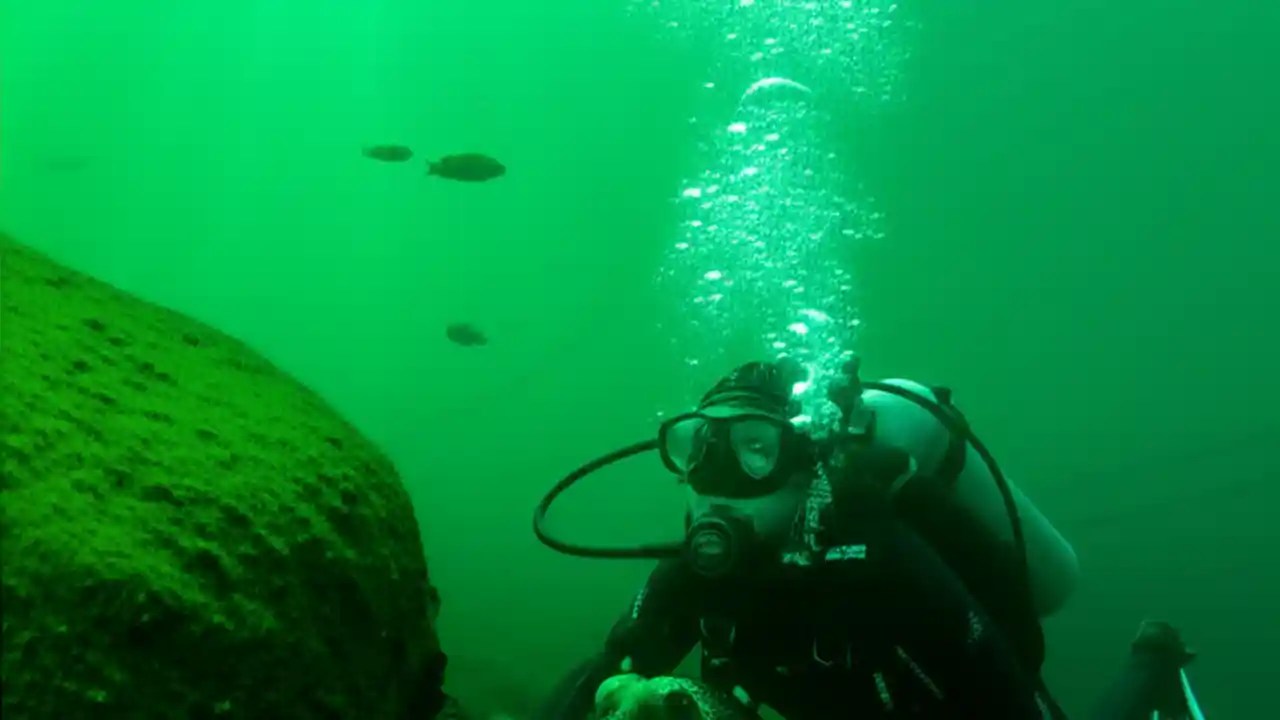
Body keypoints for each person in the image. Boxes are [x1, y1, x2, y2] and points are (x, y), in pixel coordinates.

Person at [535, 357, 1080, 719]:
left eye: (754, 448)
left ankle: (1153, 655)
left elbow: (1008, 704)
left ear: (801, 468)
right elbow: (615, 669)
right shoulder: (701, 568)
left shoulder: (878, 563)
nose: (715, 477)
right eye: (699, 447)